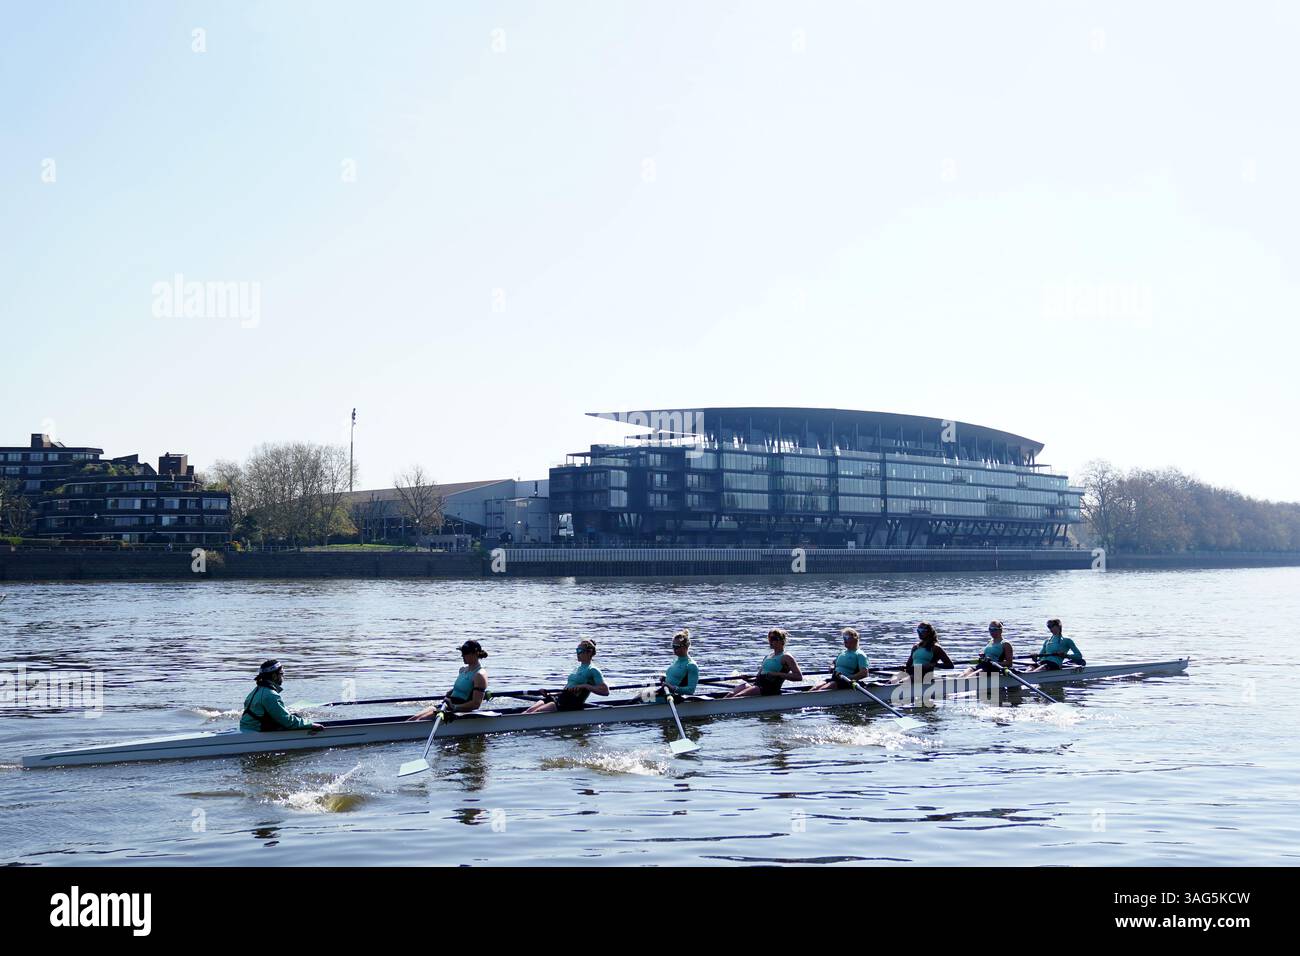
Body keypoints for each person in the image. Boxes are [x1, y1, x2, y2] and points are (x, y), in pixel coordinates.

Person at [408, 640, 489, 722]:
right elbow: (464, 689)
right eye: (462, 652)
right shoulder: (463, 670)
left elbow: (476, 704)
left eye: (465, 653)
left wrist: (454, 707)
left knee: (419, 720)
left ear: (475, 653)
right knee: (413, 719)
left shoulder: (480, 675)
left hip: (457, 710)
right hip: (447, 705)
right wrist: (451, 692)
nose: (462, 655)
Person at [525, 639, 610, 714]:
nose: (577, 653)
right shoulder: (577, 668)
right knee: (529, 711)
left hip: (570, 702)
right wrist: (549, 694)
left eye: (580, 651)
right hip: (561, 697)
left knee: (536, 712)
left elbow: (605, 691)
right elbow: (567, 689)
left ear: (589, 652)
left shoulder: (593, 670)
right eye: (577, 650)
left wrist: (585, 686)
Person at [239, 660, 323, 733]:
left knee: (294, 715)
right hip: (258, 731)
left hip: (246, 728)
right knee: (296, 718)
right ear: (274, 676)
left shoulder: (256, 690)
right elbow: (287, 721)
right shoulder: (270, 694)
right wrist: (310, 724)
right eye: (282, 674)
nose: (283, 677)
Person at [726, 629, 803, 697]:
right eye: (769, 639)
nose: (770, 642)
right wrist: (748, 679)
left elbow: (798, 677)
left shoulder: (786, 657)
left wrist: (776, 674)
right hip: (757, 686)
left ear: (781, 640)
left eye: (773, 639)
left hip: (769, 689)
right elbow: (759, 678)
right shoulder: (767, 657)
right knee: (731, 694)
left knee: (739, 696)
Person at [643, 628, 699, 702]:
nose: (674, 649)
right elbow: (676, 678)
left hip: (675, 697)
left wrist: (672, 687)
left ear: (685, 647)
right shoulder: (676, 661)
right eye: (673, 646)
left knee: (641, 699)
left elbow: (691, 690)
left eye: (677, 646)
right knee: (640, 696)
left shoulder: (691, 665)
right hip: (665, 692)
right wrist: (665, 678)